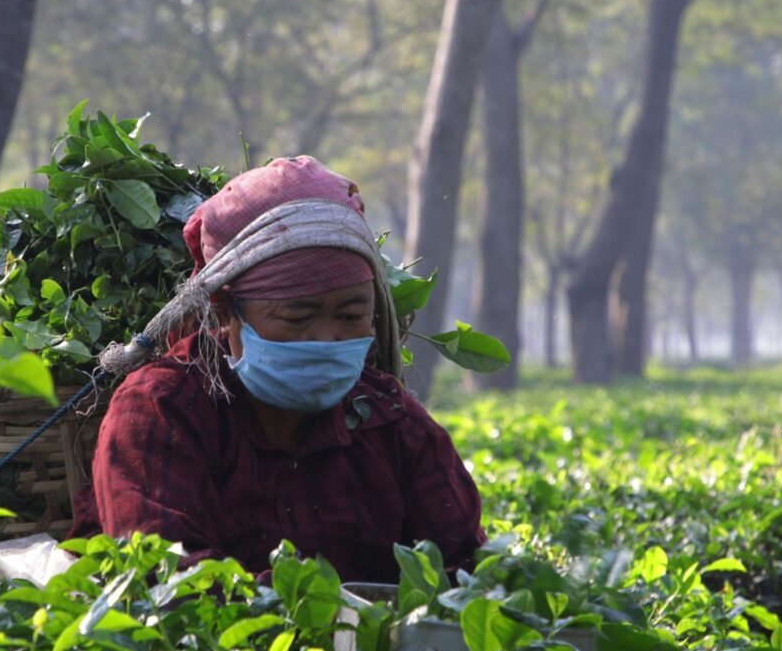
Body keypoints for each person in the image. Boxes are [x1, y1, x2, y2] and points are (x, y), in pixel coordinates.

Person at [70, 155, 483, 583]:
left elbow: (465, 561)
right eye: (298, 318)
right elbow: (161, 575)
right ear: (226, 311)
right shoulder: (161, 409)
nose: (326, 339)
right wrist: (314, 606)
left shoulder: (388, 417)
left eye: (350, 316)